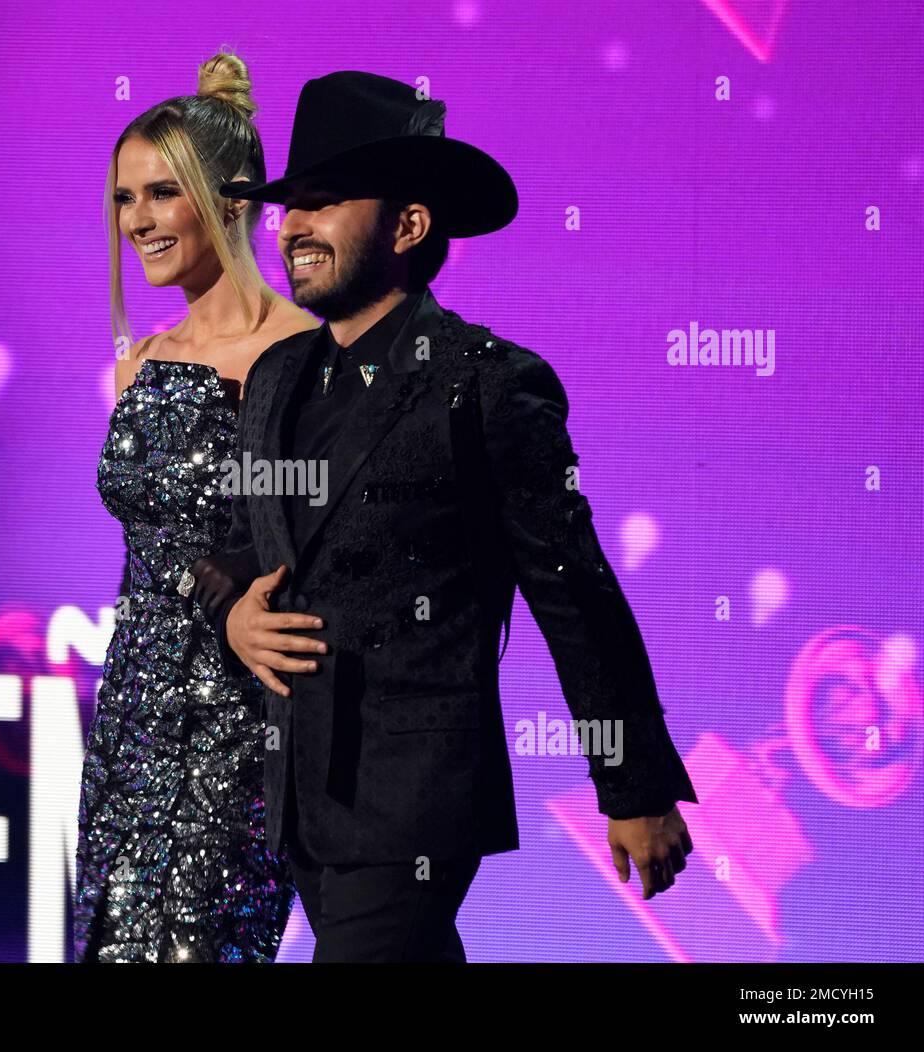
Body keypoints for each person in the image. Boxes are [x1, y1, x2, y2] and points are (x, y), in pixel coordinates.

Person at [189, 71, 699, 963]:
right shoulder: (275, 377)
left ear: (409, 226)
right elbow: (236, 548)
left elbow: (575, 597)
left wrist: (634, 787)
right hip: (298, 794)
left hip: (414, 800)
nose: (293, 227)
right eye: (289, 206)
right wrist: (231, 615)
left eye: (324, 201)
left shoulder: (489, 384)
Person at [72, 50, 316, 963]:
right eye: (124, 198)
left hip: (237, 723)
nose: (137, 220)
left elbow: (322, 539)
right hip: (132, 717)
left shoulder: (304, 356)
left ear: (234, 199)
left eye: (162, 194)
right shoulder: (139, 362)